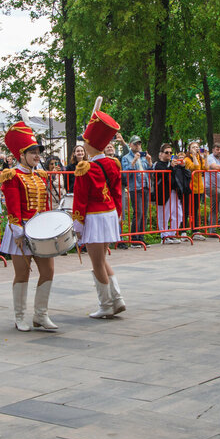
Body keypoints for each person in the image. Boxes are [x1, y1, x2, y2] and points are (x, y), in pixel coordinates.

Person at [0, 116, 59, 331]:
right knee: (22, 273)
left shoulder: (41, 175)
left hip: (40, 230)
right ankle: (20, 316)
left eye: (38, 152)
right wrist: (18, 230)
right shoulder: (11, 176)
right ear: (21, 155)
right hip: (21, 229)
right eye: (32, 152)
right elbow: (12, 207)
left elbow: (44, 205)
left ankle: (41, 315)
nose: (37, 156)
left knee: (48, 271)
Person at [73, 98, 126, 319]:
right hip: (110, 213)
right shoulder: (113, 163)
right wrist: (118, 214)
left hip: (94, 217)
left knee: (96, 262)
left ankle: (106, 305)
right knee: (103, 259)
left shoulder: (85, 167)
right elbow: (117, 193)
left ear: (89, 144)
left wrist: (77, 224)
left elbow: (80, 199)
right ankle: (117, 298)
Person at [152, 144, 187, 244]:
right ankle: (164, 236)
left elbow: (181, 175)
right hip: (163, 192)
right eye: (166, 152)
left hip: (175, 192)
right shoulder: (158, 164)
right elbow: (162, 176)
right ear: (161, 154)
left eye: (171, 153)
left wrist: (182, 166)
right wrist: (171, 167)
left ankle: (172, 234)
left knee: (178, 214)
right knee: (164, 215)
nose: (169, 154)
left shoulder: (173, 164)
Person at [121, 136, 152, 246]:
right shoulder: (126, 157)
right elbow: (125, 174)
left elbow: (150, 171)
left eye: (139, 143)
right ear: (130, 145)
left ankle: (141, 237)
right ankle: (134, 239)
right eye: (135, 144)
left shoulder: (143, 156)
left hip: (145, 185)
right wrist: (134, 161)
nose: (137, 145)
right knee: (138, 212)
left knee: (144, 213)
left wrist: (149, 161)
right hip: (135, 187)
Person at [182, 141, 208, 240]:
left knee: (195, 210)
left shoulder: (200, 158)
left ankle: (195, 230)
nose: (196, 149)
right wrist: (193, 155)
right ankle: (183, 231)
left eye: (197, 147)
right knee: (187, 210)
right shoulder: (187, 159)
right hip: (190, 188)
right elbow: (195, 167)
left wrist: (205, 157)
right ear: (189, 149)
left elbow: (206, 168)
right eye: (193, 147)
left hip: (199, 188)